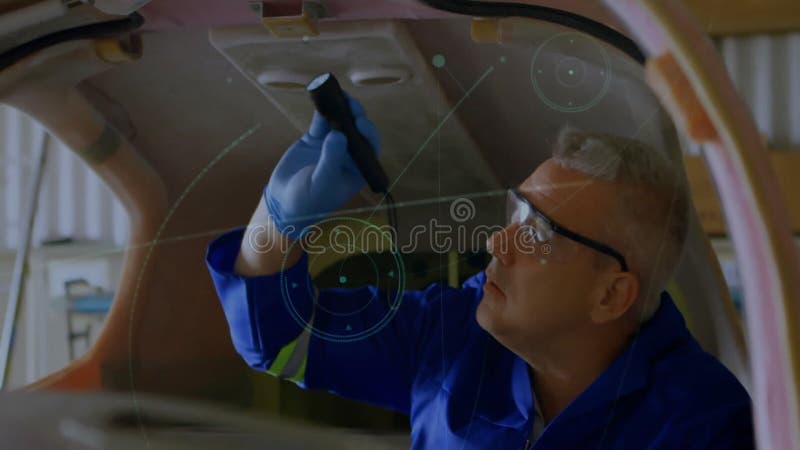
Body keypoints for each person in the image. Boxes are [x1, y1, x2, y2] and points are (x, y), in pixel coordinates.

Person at [206, 96, 754, 449]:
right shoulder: (450, 334)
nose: (498, 241)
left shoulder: (701, 423)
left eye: (538, 232)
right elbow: (278, 339)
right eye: (515, 211)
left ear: (612, 295)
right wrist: (274, 224)